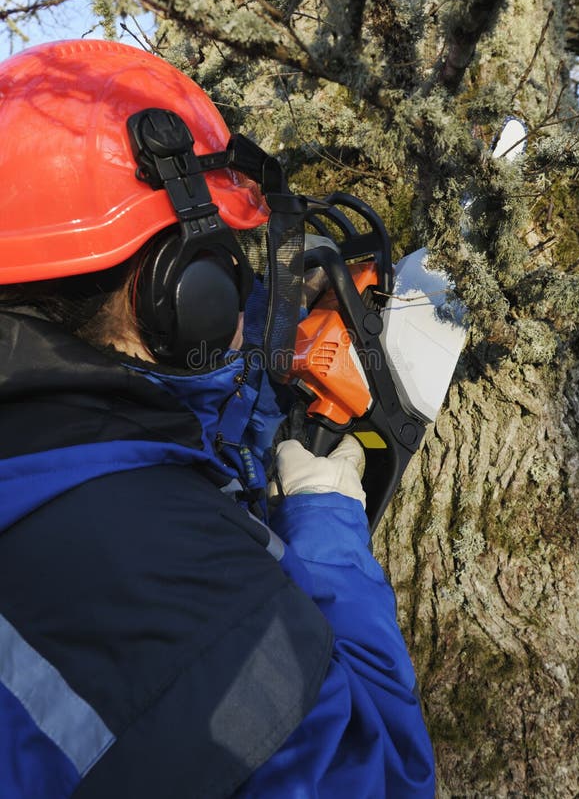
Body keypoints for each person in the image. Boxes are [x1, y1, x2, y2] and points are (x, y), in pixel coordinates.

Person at [0, 39, 435, 798]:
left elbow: (151, 401)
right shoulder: (190, 591)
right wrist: (326, 528)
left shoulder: (42, 440)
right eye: (227, 271)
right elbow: (383, 776)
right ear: (182, 299)